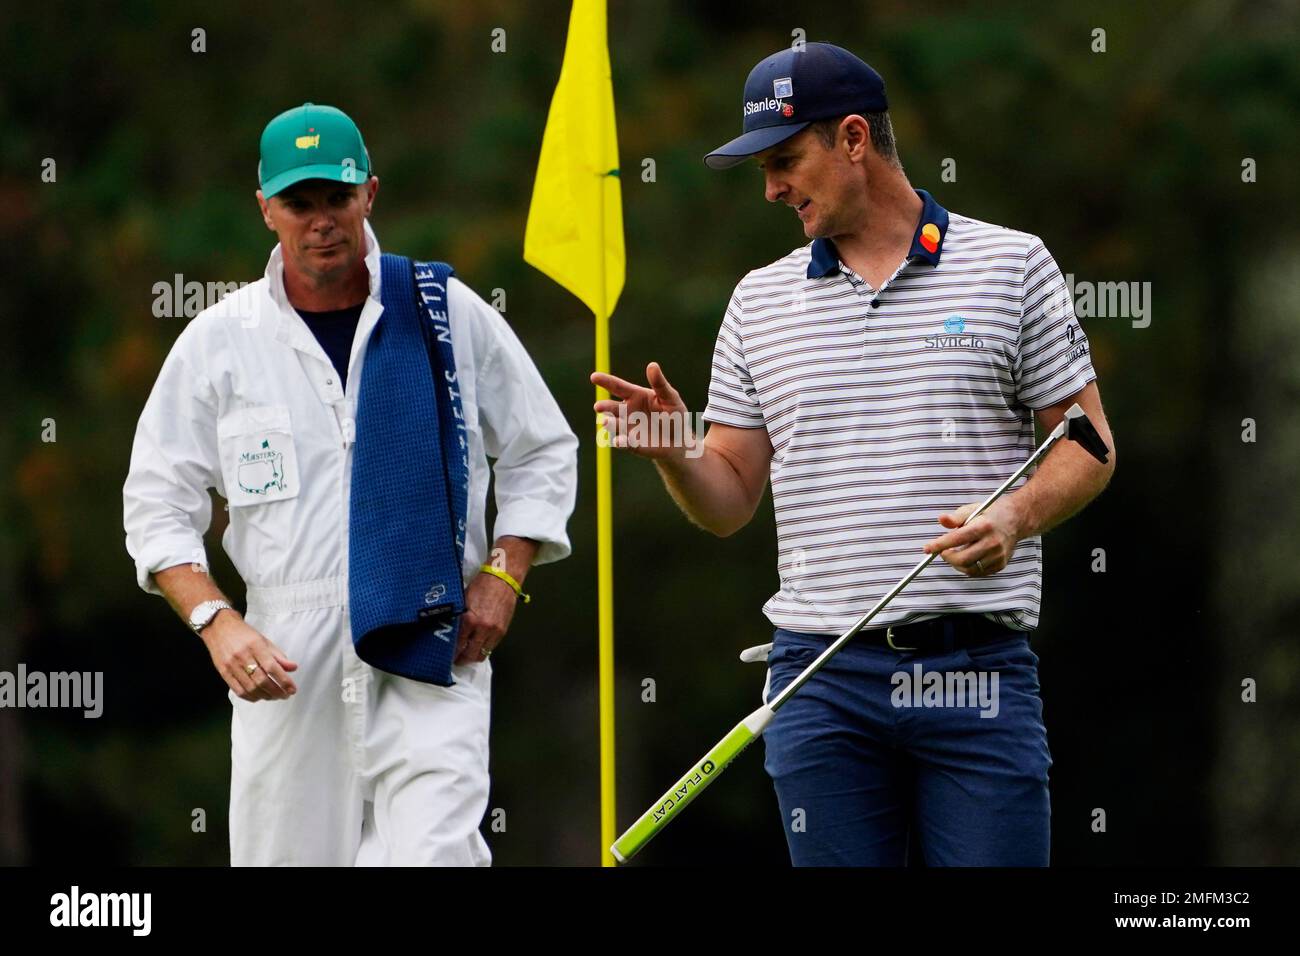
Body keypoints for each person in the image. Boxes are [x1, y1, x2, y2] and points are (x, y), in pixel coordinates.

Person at [592, 43, 1116, 865]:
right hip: (819, 680)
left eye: (785, 161)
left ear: (853, 140)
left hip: (973, 669)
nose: (771, 188)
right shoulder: (758, 301)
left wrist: (1016, 514)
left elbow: (1090, 444)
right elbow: (728, 501)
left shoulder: (1012, 265)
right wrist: (672, 449)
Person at [124, 102, 578, 866]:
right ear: (266, 208)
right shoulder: (219, 342)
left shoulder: (443, 314)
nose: (321, 221)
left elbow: (541, 448)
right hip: (285, 659)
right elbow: (156, 501)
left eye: (337, 197)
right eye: (299, 204)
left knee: (436, 857)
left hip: (432, 634)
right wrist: (216, 622)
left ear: (370, 192)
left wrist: (504, 574)